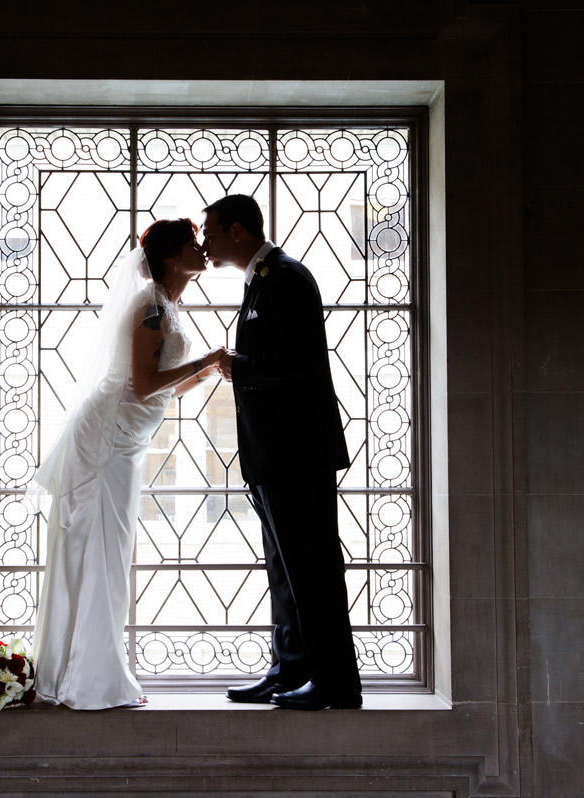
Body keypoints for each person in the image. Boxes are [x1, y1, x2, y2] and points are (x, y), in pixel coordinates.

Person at [31, 218, 224, 710]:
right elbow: (141, 386)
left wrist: (208, 371)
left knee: (110, 550)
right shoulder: (151, 307)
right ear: (171, 257)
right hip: (107, 439)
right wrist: (205, 359)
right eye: (192, 243)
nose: (202, 249)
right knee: (101, 550)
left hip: (127, 438)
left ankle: (85, 671)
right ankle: (90, 680)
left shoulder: (166, 305)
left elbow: (164, 386)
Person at [204, 194, 362, 710]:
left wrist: (238, 366)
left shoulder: (286, 278)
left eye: (210, 234)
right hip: (275, 455)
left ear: (236, 231)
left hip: (298, 455)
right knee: (285, 570)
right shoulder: (263, 279)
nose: (205, 245)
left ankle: (336, 682)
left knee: (313, 569)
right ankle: (291, 668)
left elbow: (297, 364)